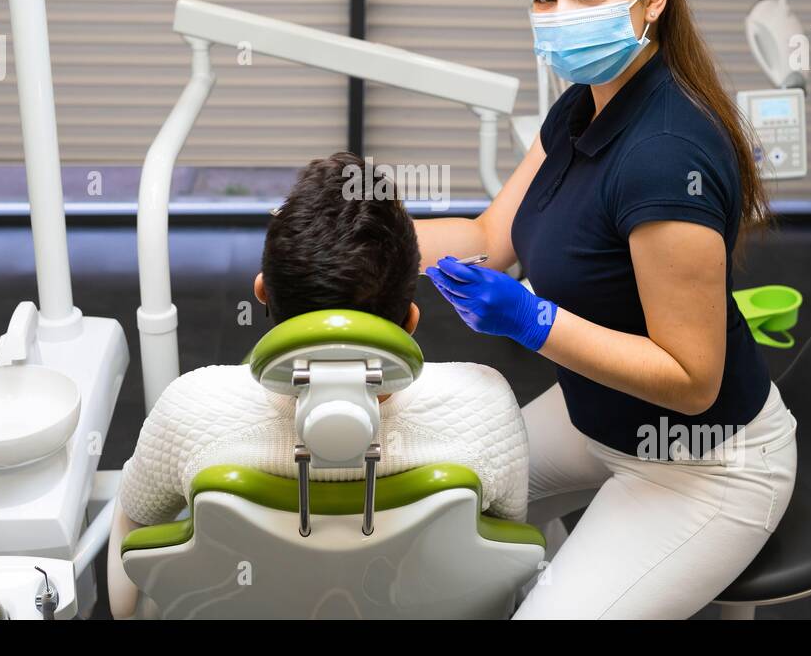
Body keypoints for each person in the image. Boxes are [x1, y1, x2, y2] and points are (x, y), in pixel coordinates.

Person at [417, 0, 798, 619]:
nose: (560, 17)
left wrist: (533, 323)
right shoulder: (580, 108)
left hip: (704, 467)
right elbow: (491, 239)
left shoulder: (664, 154)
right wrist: (350, 228)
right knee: (429, 519)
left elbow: (692, 380)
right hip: (598, 419)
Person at [108, 151, 529, 618]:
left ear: (262, 291)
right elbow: (503, 549)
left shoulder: (189, 409)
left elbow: (134, 535)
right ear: (410, 318)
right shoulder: (486, 407)